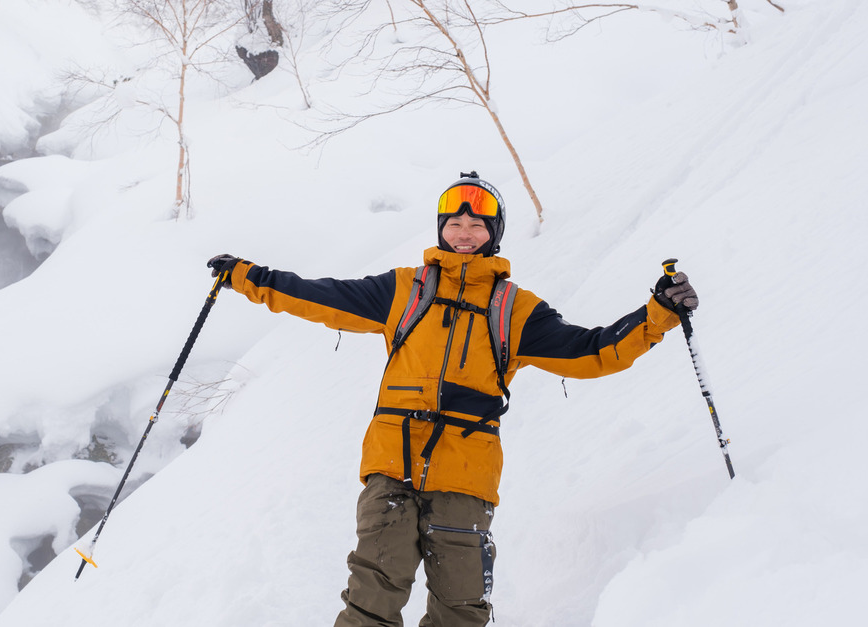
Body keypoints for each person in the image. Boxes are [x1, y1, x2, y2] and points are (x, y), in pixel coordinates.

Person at [206, 172, 698, 627]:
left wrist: (657, 314)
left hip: (465, 481)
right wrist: (247, 276)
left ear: (494, 233)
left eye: (477, 225)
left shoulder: (516, 309)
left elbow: (593, 352)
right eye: (455, 223)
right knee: (368, 605)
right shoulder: (403, 289)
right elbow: (318, 295)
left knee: (460, 612)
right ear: (441, 229)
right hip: (391, 472)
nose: (464, 233)